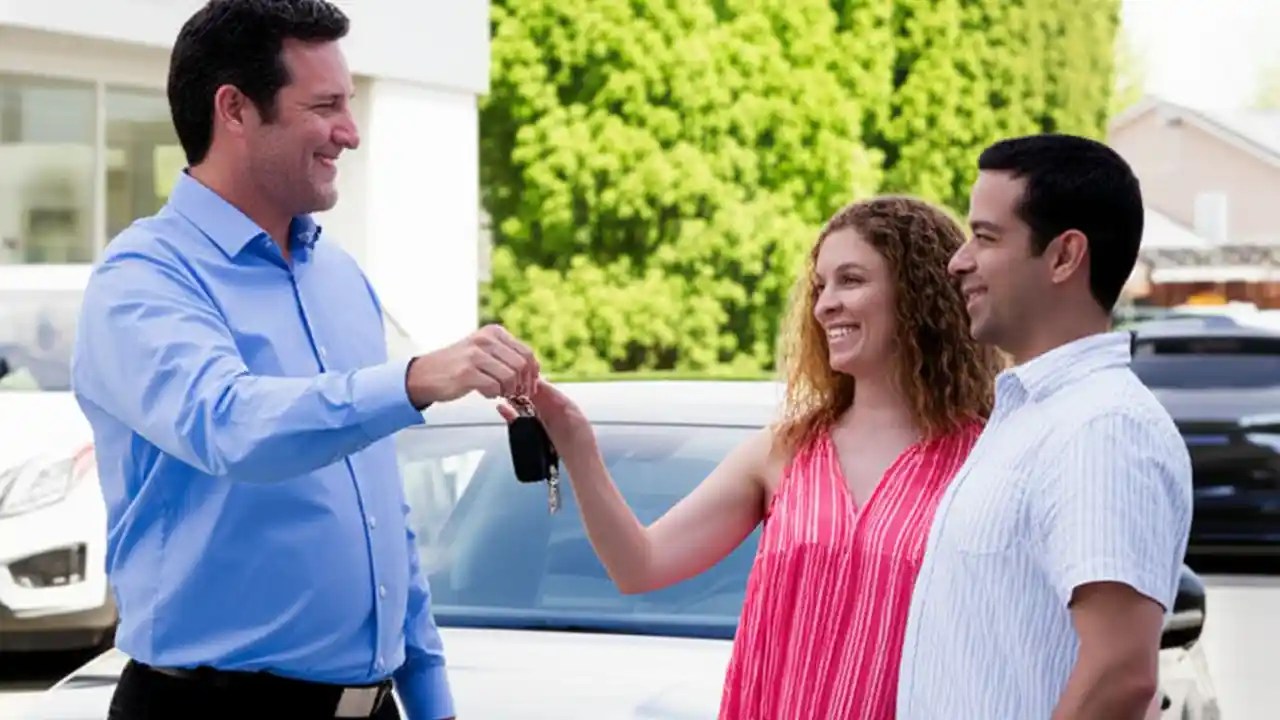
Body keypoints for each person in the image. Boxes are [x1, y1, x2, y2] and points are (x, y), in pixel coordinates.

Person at [70, 2, 538, 718]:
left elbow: (384, 515)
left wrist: (430, 696)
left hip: (374, 703)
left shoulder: (341, 277)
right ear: (234, 109)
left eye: (348, 104)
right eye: (324, 106)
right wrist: (413, 380)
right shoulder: (143, 278)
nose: (350, 132)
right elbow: (230, 425)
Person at [500, 196, 1004, 719]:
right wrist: (576, 440)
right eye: (820, 286)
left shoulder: (987, 456)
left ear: (918, 294)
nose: (825, 304)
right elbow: (639, 566)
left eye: (851, 280)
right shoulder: (783, 451)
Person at [895, 134, 1194, 720]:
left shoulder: (1101, 428)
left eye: (984, 236)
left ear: (1063, 256)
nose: (958, 261)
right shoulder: (1034, 416)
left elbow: (1121, 675)